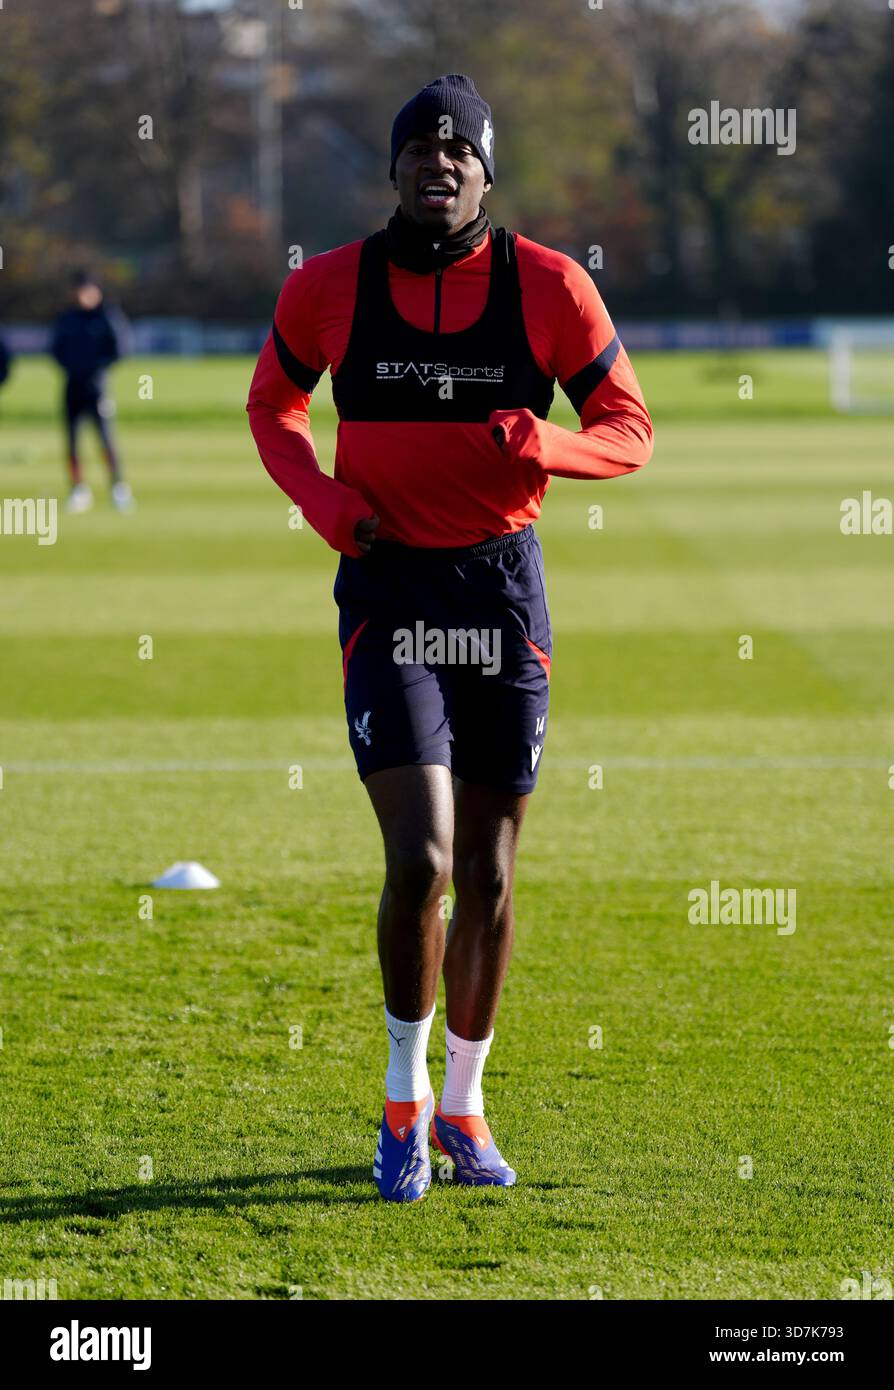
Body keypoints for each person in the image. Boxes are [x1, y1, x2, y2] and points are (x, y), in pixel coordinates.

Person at [248, 74, 653, 1201]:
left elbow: (628, 430)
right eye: (420, 149)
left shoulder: (553, 287)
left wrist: (548, 446)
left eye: (459, 150)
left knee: (488, 869)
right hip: (389, 590)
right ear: (394, 168)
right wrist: (329, 506)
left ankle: (466, 1108)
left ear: (486, 169)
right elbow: (271, 409)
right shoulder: (328, 288)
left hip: (502, 594)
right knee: (420, 858)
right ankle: (401, 1098)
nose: (439, 164)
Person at [50, 271, 133, 512]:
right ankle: (78, 489)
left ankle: (118, 487)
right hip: (72, 386)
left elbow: (120, 349)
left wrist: (96, 369)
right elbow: (55, 349)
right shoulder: (68, 318)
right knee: (73, 441)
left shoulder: (107, 316)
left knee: (106, 439)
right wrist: (72, 368)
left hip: (97, 388)